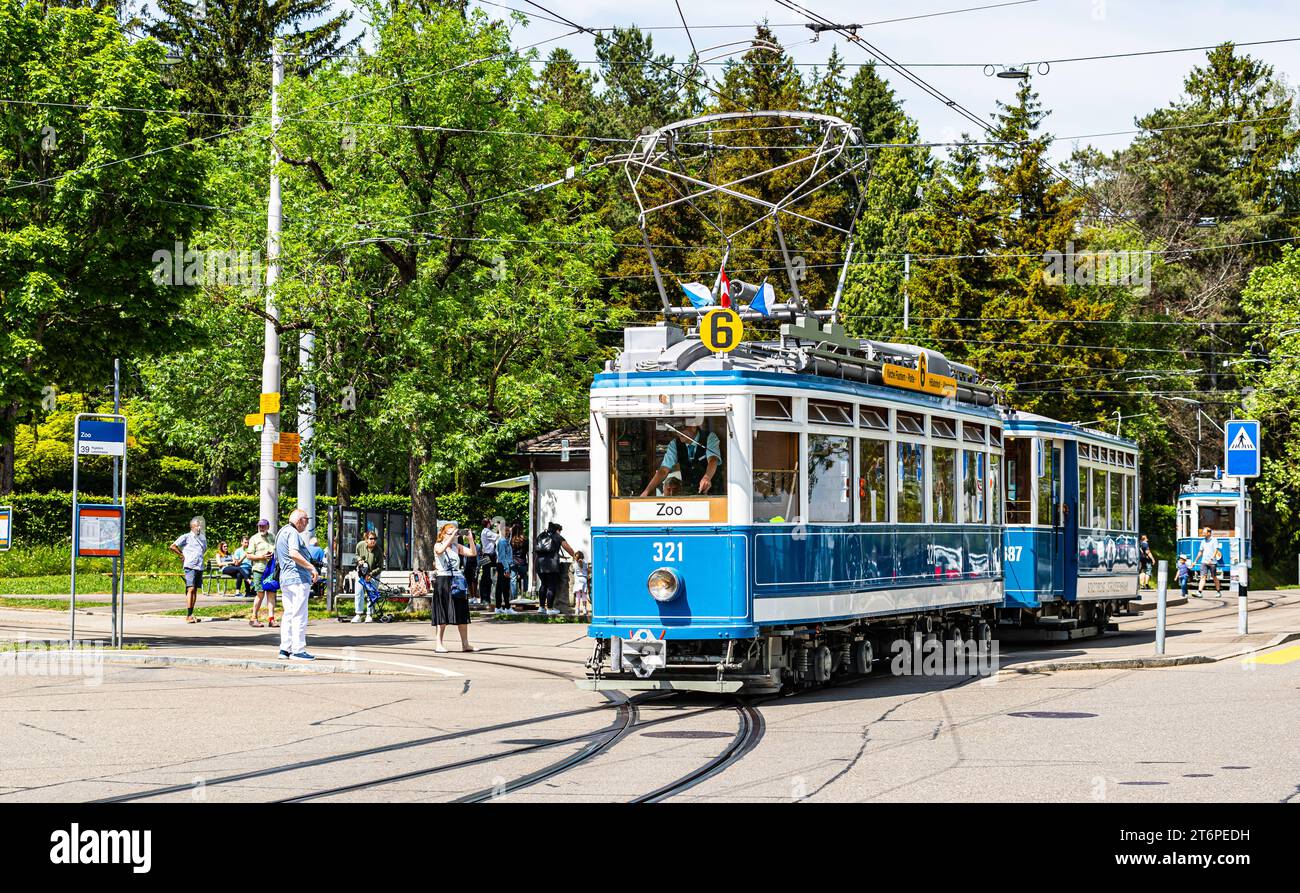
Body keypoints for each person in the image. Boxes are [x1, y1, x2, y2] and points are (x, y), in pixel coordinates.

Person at [275, 508, 319, 660]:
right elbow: (294, 553)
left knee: (288, 614)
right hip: (298, 579)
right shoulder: (293, 533)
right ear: (300, 520)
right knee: (300, 614)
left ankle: (284, 649)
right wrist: (311, 567)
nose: (307, 523)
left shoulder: (281, 532)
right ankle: (298, 650)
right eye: (306, 520)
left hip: (285, 579)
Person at [638, 418, 721, 497]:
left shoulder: (709, 437)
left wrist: (707, 477)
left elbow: (713, 460)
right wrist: (647, 491)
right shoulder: (674, 444)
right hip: (688, 494)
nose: (678, 432)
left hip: (713, 493)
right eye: (676, 429)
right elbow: (663, 470)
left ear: (693, 426)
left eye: (682, 428)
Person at [431, 523, 478, 653]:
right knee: (442, 614)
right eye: (449, 532)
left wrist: (470, 539)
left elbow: (473, 553)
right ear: (442, 533)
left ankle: (465, 644)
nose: (453, 535)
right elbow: (439, 551)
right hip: (443, 581)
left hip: (457, 581)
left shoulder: (456, 547)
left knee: (462, 613)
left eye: (455, 532)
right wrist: (450, 538)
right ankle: (439, 644)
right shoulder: (438, 545)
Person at [168, 517, 207, 623]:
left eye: (200, 525)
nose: (199, 527)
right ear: (192, 527)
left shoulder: (202, 538)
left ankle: (191, 614)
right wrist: (181, 555)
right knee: (190, 588)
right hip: (190, 566)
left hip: (199, 566)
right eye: (197, 525)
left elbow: (204, 550)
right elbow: (173, 546)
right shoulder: (186, 537)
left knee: (195, 590)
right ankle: (188, 615)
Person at [535, 521, 576, 616]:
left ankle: (541, 608)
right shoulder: (557, 536)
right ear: (557, 530)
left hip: (539, 563)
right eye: (560, 531)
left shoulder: (541, 535)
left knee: (543, 585)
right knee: (551, 586)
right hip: (551, 565)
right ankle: (550, 608)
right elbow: (567, 547)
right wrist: (574, 556)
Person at [248, 519, 277, 628]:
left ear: (268, 527)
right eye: (260, 526)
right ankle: (253, 618)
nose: (261, 528)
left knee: (271, 594)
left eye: (264, 526)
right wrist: (261, 557)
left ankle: (271, 619)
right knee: (260, 594)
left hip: (270, 570)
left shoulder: (272, 537)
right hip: (259, 569)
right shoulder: (254, 538)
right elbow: (249, 555)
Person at [352, 530, 382, 623]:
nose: (373, 541)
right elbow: (356, 555)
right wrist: (359, 559)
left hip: (373, 574)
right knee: (359, 593)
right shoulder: (360, 545)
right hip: (361, 573)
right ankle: (358, 614)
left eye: (375, 539)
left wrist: (371, 575)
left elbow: (380, 567)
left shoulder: (378, 550)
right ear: (366, 539)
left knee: (371, 594)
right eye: (371, 539)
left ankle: (369, 614)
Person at [478, 517, 499, 610]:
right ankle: (485, 598)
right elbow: (497, 536)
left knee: (487, 576)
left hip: (488, 555)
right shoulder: (486, 531)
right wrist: (500, 529)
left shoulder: (485, 531)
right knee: (486, 577)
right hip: (488, 555)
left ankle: (487, 597)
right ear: (488, 523)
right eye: (490, 522)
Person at [495, 522, 515, 615]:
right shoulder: (502, 542)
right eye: (505, 531)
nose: (507, 532)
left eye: (508, 531)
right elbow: (502, 557)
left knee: (500, 587)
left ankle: (499, 607)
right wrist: (507, 569)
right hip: (504, 565)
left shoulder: (504, 540)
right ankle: (507, 607)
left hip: (502, 564)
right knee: (505, 587)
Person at [1195, 526, 1221, 596]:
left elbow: (1216, 550)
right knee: (1202, 577)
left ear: (1209, 533)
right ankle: (1199, 592)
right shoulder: (1203, 541)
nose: (1203, 534)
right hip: (1204, 562)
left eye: (1204, 532)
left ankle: (1218, 591)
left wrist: (1212, 558)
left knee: (1214, 577)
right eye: (1202, 532)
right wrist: (1195, 561)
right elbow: (1200, 551)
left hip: (1212, 562)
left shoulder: (1214, 540)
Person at [509, 524, 528, 603]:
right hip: (522, 562)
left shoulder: (511, 540)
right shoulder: (525, 539)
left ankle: (514, 597)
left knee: (513, 579)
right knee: (524, 577)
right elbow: (527, 551)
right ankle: (524, 594)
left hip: (513, 561)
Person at [572, 550, 590, 617]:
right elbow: (588, 571)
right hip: (584, 579)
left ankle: (577, 609)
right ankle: (585, 609)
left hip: (577, 580)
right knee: (584, 595)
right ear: (582, 557)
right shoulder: (585, 564)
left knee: (578, 596)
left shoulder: (574, 564)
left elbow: (573, 571)